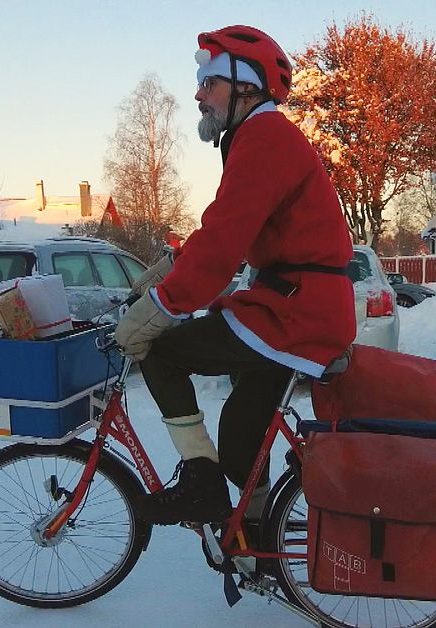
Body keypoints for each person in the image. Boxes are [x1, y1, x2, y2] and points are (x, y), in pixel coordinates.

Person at [115, 25, 356, 526]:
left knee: (161, 352)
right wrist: (174, 267)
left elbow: (225, 241)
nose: (199, 94)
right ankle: (255, 530)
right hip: (296, 305)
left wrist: (160, 308)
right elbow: (230, 228)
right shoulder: (259, 138)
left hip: (294, 312)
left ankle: (202, 484)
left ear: (245, 85)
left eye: (209, 81)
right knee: (244, 421)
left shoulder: (265, 137)